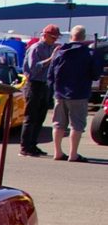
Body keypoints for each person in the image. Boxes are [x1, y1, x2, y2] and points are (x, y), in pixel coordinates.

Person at [47, 25, 101, 162]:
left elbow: (50, 74)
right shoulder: (88, 54)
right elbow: (95, 74)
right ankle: (73, 154)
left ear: (71, 36)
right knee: (77, 124)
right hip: (79, 93)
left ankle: (57, 152)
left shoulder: (59, 52)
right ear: (83, 37)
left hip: (59, 93)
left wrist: (54, 89)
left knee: (58, 124)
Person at [19, 24, 60, 157]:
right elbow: (33, 68)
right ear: (45, 35)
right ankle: (25, 147)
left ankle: (33, 145)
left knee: (40, 117)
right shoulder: (36, 48)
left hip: (46, 85)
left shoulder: (52, 48)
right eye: (52, 37)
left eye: (56, 37)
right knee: (30, 117)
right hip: (34, 84)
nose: (54, 40)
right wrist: (50, 59)